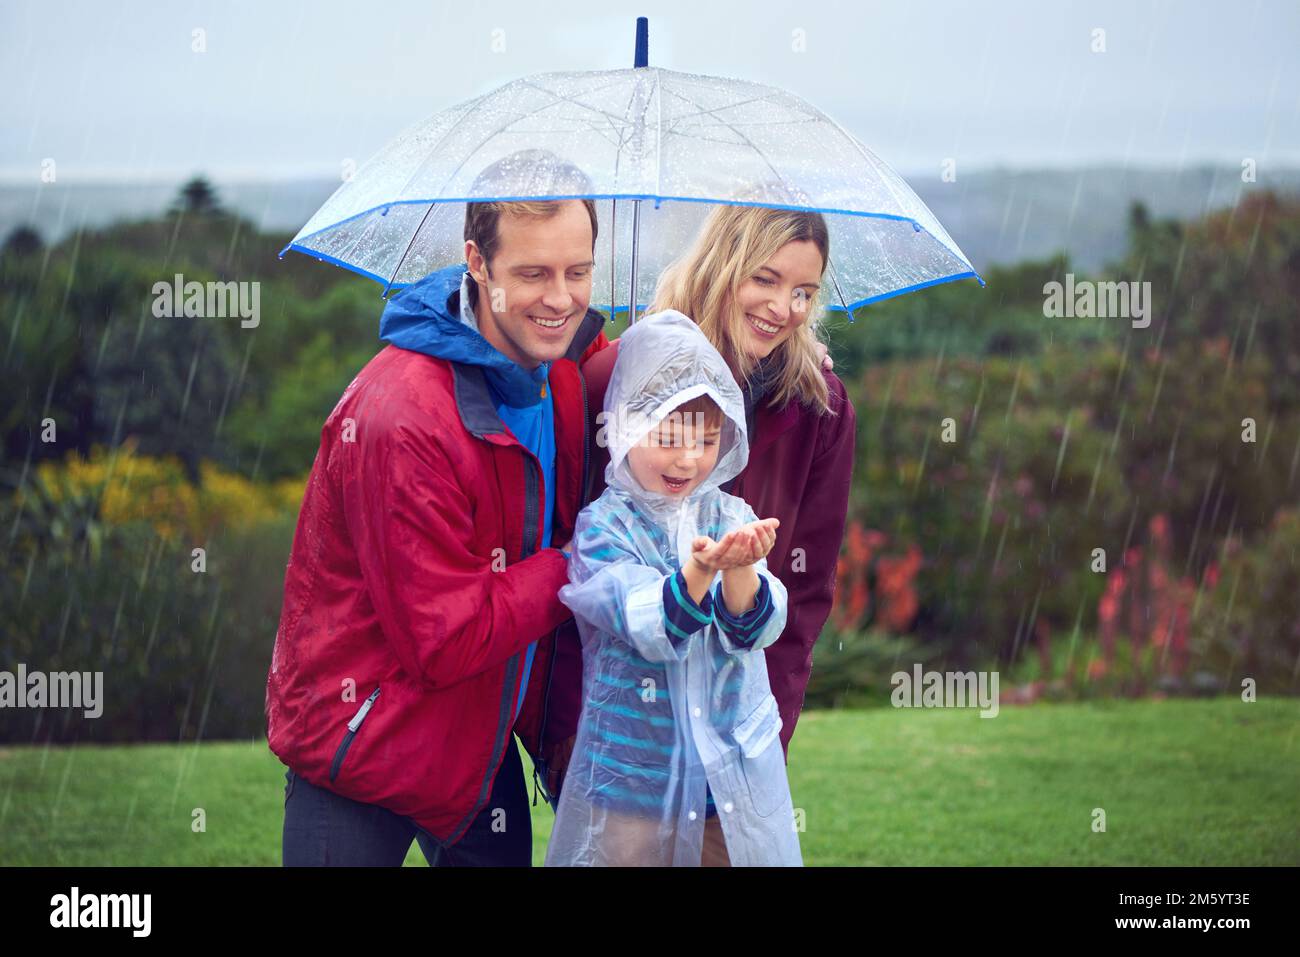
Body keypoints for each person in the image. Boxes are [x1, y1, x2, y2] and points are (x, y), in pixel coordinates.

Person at [266, 150, 609, 866]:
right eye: (533, 274)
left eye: (577, 271)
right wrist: (579, 563)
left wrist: (782, 347)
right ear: (476, 264)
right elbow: (443, 638)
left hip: (477, 744)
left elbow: (660, 371)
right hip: (362, 745)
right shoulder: (402, 417)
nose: (561, 297)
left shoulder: (561, 366)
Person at [542, 204, 857, 802]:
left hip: (734, 741)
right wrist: (563, 726)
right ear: (721, 267)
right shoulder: (614, 378)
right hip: (621, 739)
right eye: (764, 279)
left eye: (803, 292)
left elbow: (808, 585)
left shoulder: (821, 407)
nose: (783, 308)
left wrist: (770, 733)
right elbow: (575, 563)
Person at [544, 310, 802, 867]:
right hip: (634, 775)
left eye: (708, 441)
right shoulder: (602, 527)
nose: (689, 459)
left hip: (723, 773)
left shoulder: (729, 511)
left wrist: (739, 570)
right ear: (628, 428)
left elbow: (753, 629)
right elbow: (645, 621)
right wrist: (702, 570)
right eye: (668, 438)